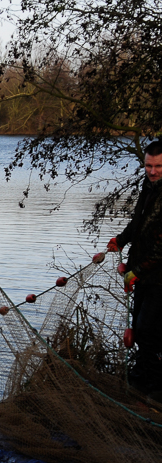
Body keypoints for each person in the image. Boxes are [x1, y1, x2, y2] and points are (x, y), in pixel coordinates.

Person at [107, 140, 162, 399]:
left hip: (158, 276)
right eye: (149, 166)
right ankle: (141, 382)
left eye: (158, 166)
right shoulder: (148, 187)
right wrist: (120, 239)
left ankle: (151, 388)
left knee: (149, 329)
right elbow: (138, 223)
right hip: (142, 273)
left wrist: (135, 271)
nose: (152, 171)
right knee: (139, 330)